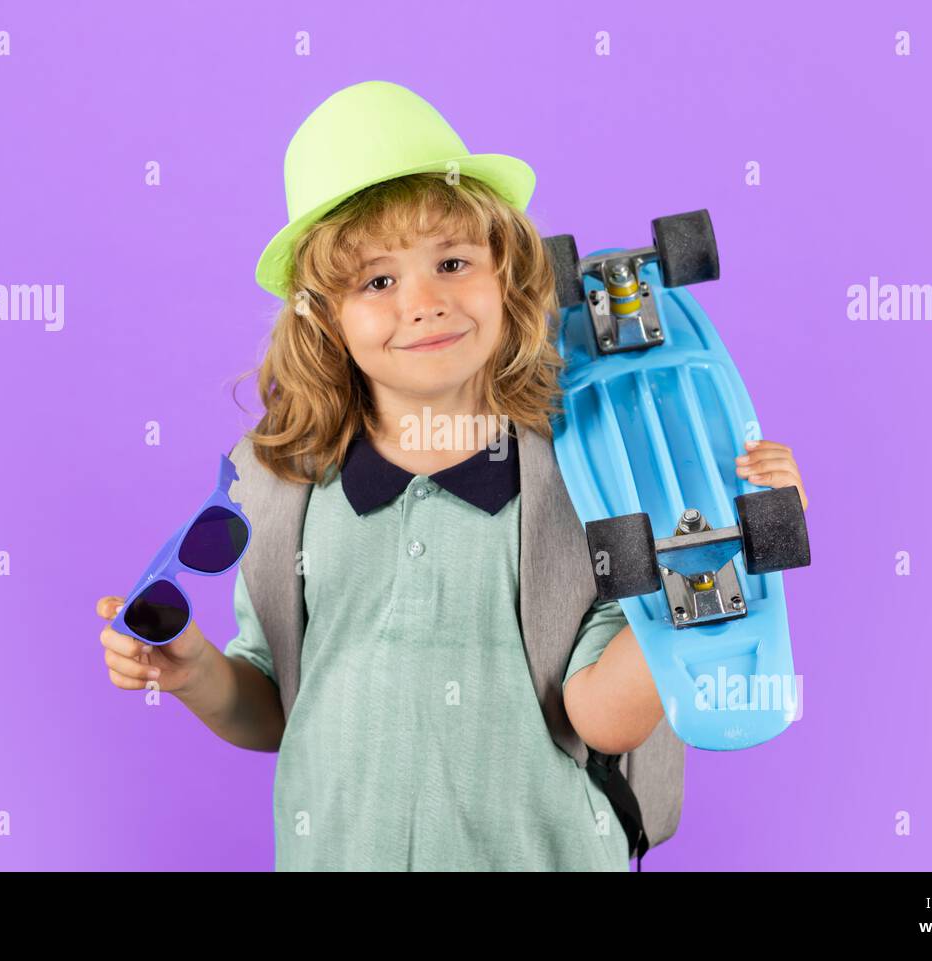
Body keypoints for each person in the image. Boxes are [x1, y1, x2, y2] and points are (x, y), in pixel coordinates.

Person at [95, 80, 809, 871]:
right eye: (377, 281)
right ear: (323, 317)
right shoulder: (283, 489)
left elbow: (602, 718)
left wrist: (722, 547)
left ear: (506, 273)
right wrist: (195, 672)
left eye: (454, 260)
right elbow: (276, 707)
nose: (426, 301)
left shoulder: (581, 479)